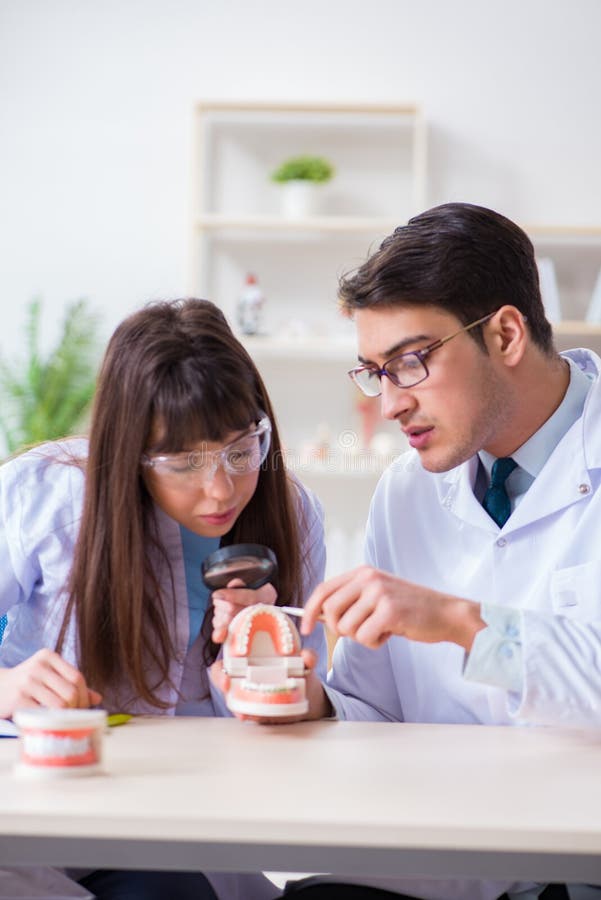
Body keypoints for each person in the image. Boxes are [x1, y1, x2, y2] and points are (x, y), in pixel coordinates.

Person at [275, 203, 601, 900]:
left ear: (506, 334)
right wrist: (310, 703)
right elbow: (379, 714)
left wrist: (458, 622)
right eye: (373, 371)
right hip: (449, 865)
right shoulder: (406, 492)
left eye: (410, 362)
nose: (388, 404)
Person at [0, 297, 327, 900]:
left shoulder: (291, 513)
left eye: (241, 448)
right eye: (182, 462)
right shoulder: (44, 497)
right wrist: (6, 686)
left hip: (195, 815)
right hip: (52, 809)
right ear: (129, 453)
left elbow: (308, 710)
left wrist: (263, 667)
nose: (220, 488)